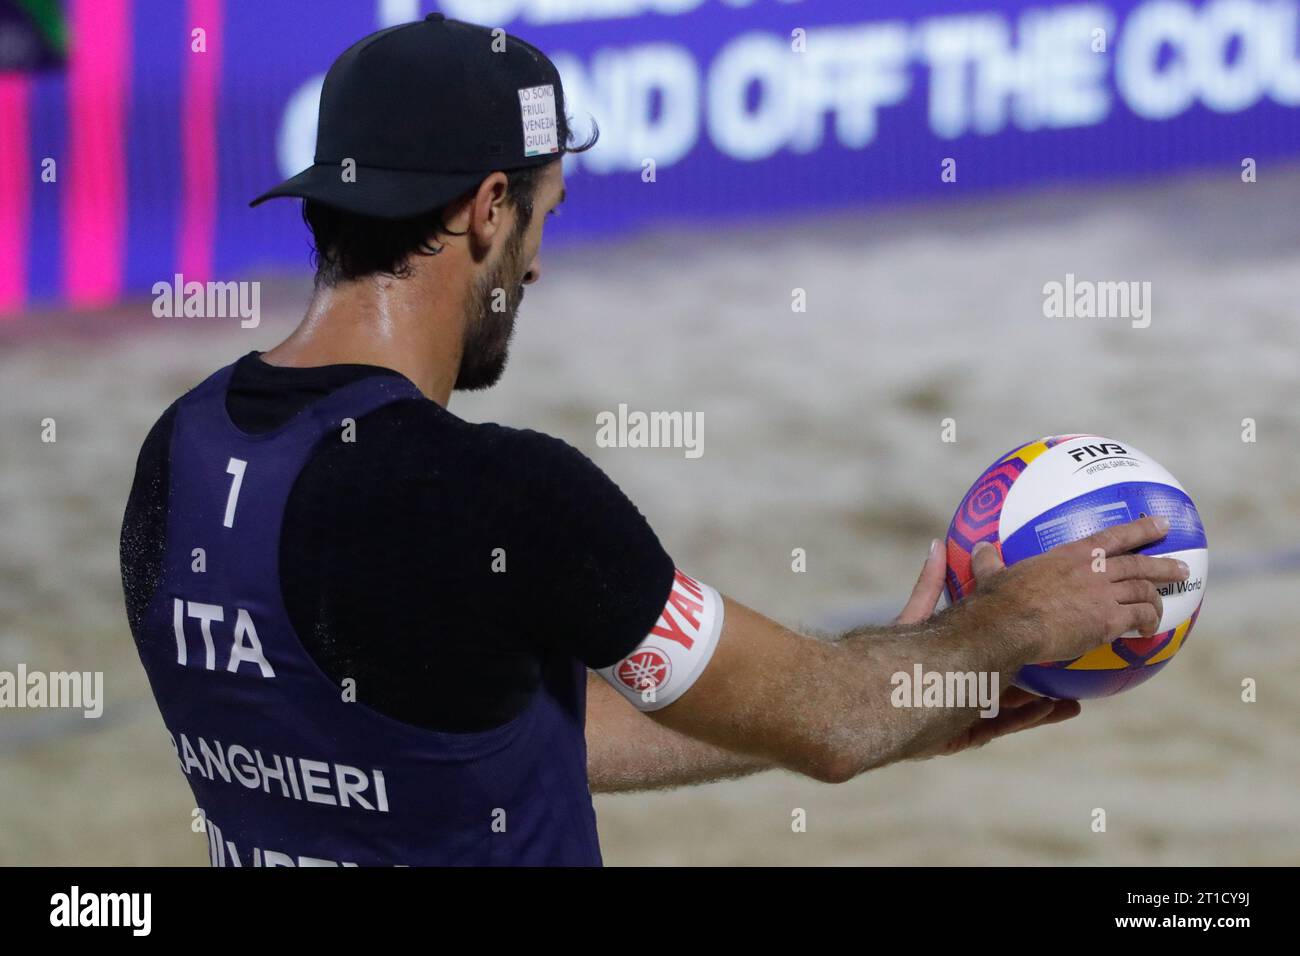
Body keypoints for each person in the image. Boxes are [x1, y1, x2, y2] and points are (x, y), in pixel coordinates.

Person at [119, 14, 1189, 867]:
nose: (533, 267)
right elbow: (830, 724)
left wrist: (914, 687)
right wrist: (1008, 622)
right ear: (487, 209)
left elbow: (481, 739)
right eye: (541, 218)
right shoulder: (501, 495)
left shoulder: (180, 452)